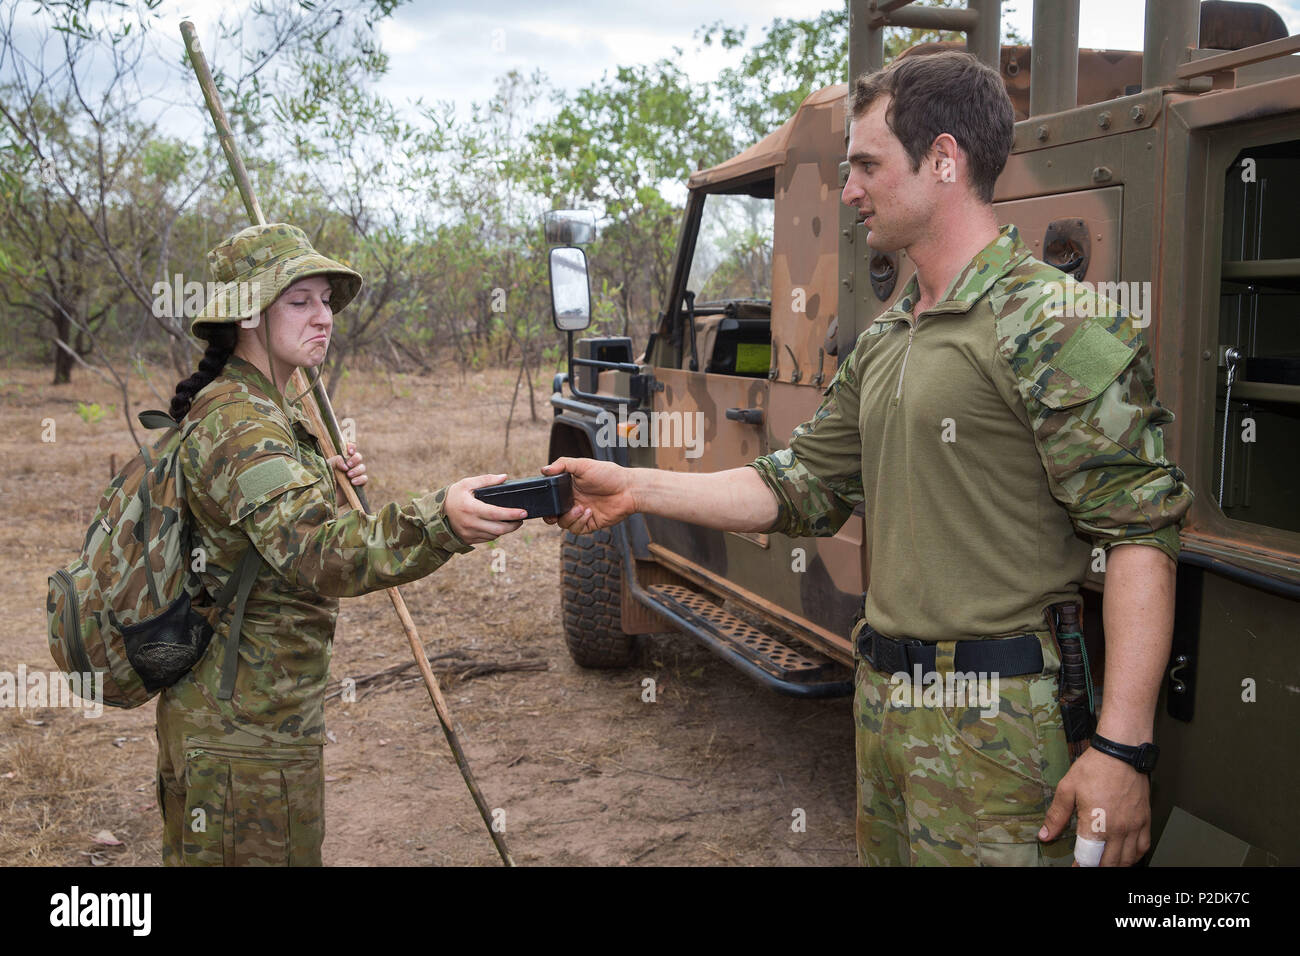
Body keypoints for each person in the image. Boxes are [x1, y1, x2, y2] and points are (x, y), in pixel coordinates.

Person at [542, 51, 1193, 867]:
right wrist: (632, 485)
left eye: (866, 165)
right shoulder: (890, 335)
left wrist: (1123, 750)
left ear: (944, 161)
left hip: (996, 730)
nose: (848, 191)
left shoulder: (1052, 321)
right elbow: (795, 485)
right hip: (884, 708)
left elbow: (1139, 533)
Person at [156, 222, 527, 866]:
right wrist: (440, 520)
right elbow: (318, 556)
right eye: (299, 302)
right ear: (247, 317)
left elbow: (252, 535)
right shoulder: (242, 424)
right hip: (242, 735)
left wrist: (320, 477)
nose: (324, 318)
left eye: (325, 300)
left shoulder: (265, 408)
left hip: (255, 718)